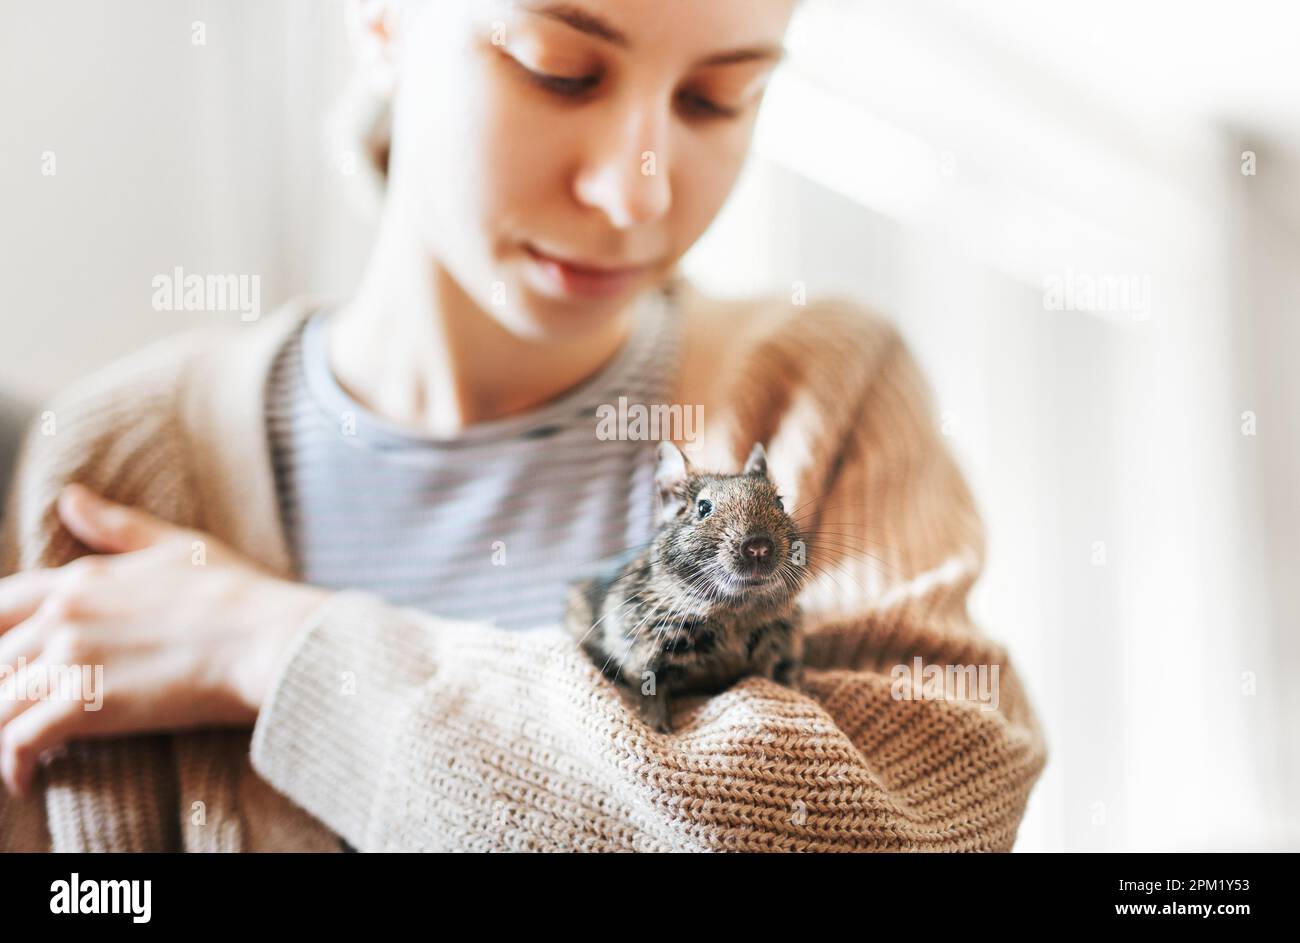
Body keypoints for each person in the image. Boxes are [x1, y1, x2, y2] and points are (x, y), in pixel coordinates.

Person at [0, 0, 1046, 851]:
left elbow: (902, 829)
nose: (633, 197)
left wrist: (286, 653)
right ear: (379, 23)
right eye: (560, 70)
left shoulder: (823, 394)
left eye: (716, 99)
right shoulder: (118, 461)